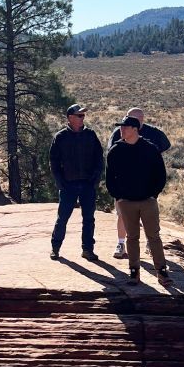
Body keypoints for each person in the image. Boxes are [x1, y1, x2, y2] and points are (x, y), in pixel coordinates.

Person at [104, 114, 169, 283]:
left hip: (147, 201)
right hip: (126, 202)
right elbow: (110, 177)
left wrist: (153, 195)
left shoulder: (150, 149)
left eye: (125, 127)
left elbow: (160, 175)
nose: (121, 130)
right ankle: (134, 272)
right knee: (132, 238)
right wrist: (118, 197)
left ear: (135, 129)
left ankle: (161, 272)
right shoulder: (116, 150)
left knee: (153, 237)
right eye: (121, 127)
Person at [49, 104, 105, 261]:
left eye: (83, 116)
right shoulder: (60, 137)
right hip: (68, 185)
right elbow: (53, 162)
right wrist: (61, 183)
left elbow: (99, 159)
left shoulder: (90, 135)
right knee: (62, 218)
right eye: (79, 115)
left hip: (87, 184)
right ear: (70, 118)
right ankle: (55, 248)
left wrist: (94, 180)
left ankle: (87, 250)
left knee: (89, 219)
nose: (82, 118)